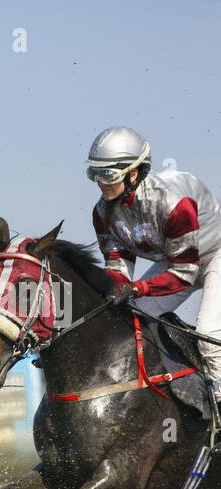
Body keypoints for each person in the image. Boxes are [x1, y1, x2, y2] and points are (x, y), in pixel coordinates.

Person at [88, 126, 221, 398]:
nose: (101, 182)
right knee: (130, 320)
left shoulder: (173, 203)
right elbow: (117, 267)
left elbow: (184, 274)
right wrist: (116, 290)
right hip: (178, 261)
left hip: (214, 255)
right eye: (94, 174)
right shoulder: (102, 212)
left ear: (133, 173)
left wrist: (137, 289)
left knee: (209, 332)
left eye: (108, 174)